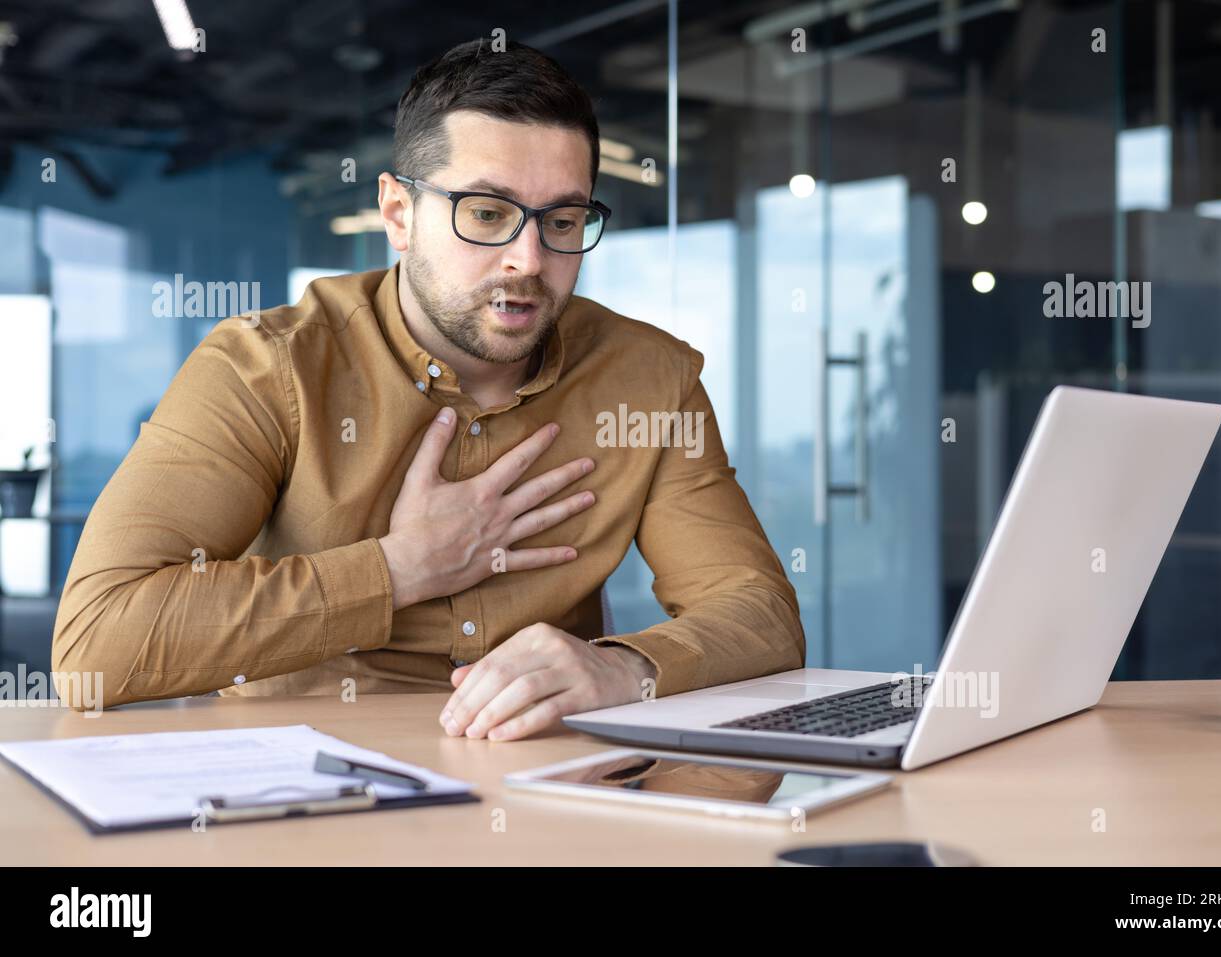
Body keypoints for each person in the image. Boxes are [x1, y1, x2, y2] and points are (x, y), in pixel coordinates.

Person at [52, 39, 803, 741]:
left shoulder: (650, 380)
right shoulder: (264, 366)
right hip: (298, 800)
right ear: (398, 214)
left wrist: (624, 667)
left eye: (564, 220)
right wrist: (401, 567)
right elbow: (97, 643)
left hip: (547, 794)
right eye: (486, 213)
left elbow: (759, 612)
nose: (528, 259)